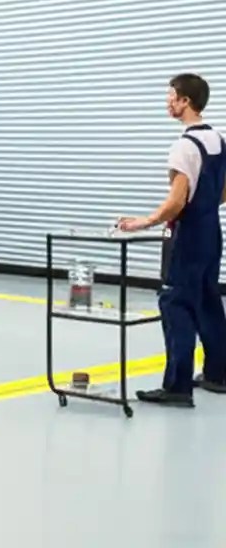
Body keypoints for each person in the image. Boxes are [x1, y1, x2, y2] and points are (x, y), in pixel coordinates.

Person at [117, 73, 226, 407]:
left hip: (188, 232)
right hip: (212, 230)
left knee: (175, 301)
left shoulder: (183, 146)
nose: (168, 101)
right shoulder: (219, 141)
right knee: (208, 300)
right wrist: (205, 207)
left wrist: (144, 222)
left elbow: (176, 201)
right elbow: (224, 192)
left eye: (171, 95)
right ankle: (218, 374)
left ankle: (177, 386)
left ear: (185, 102)